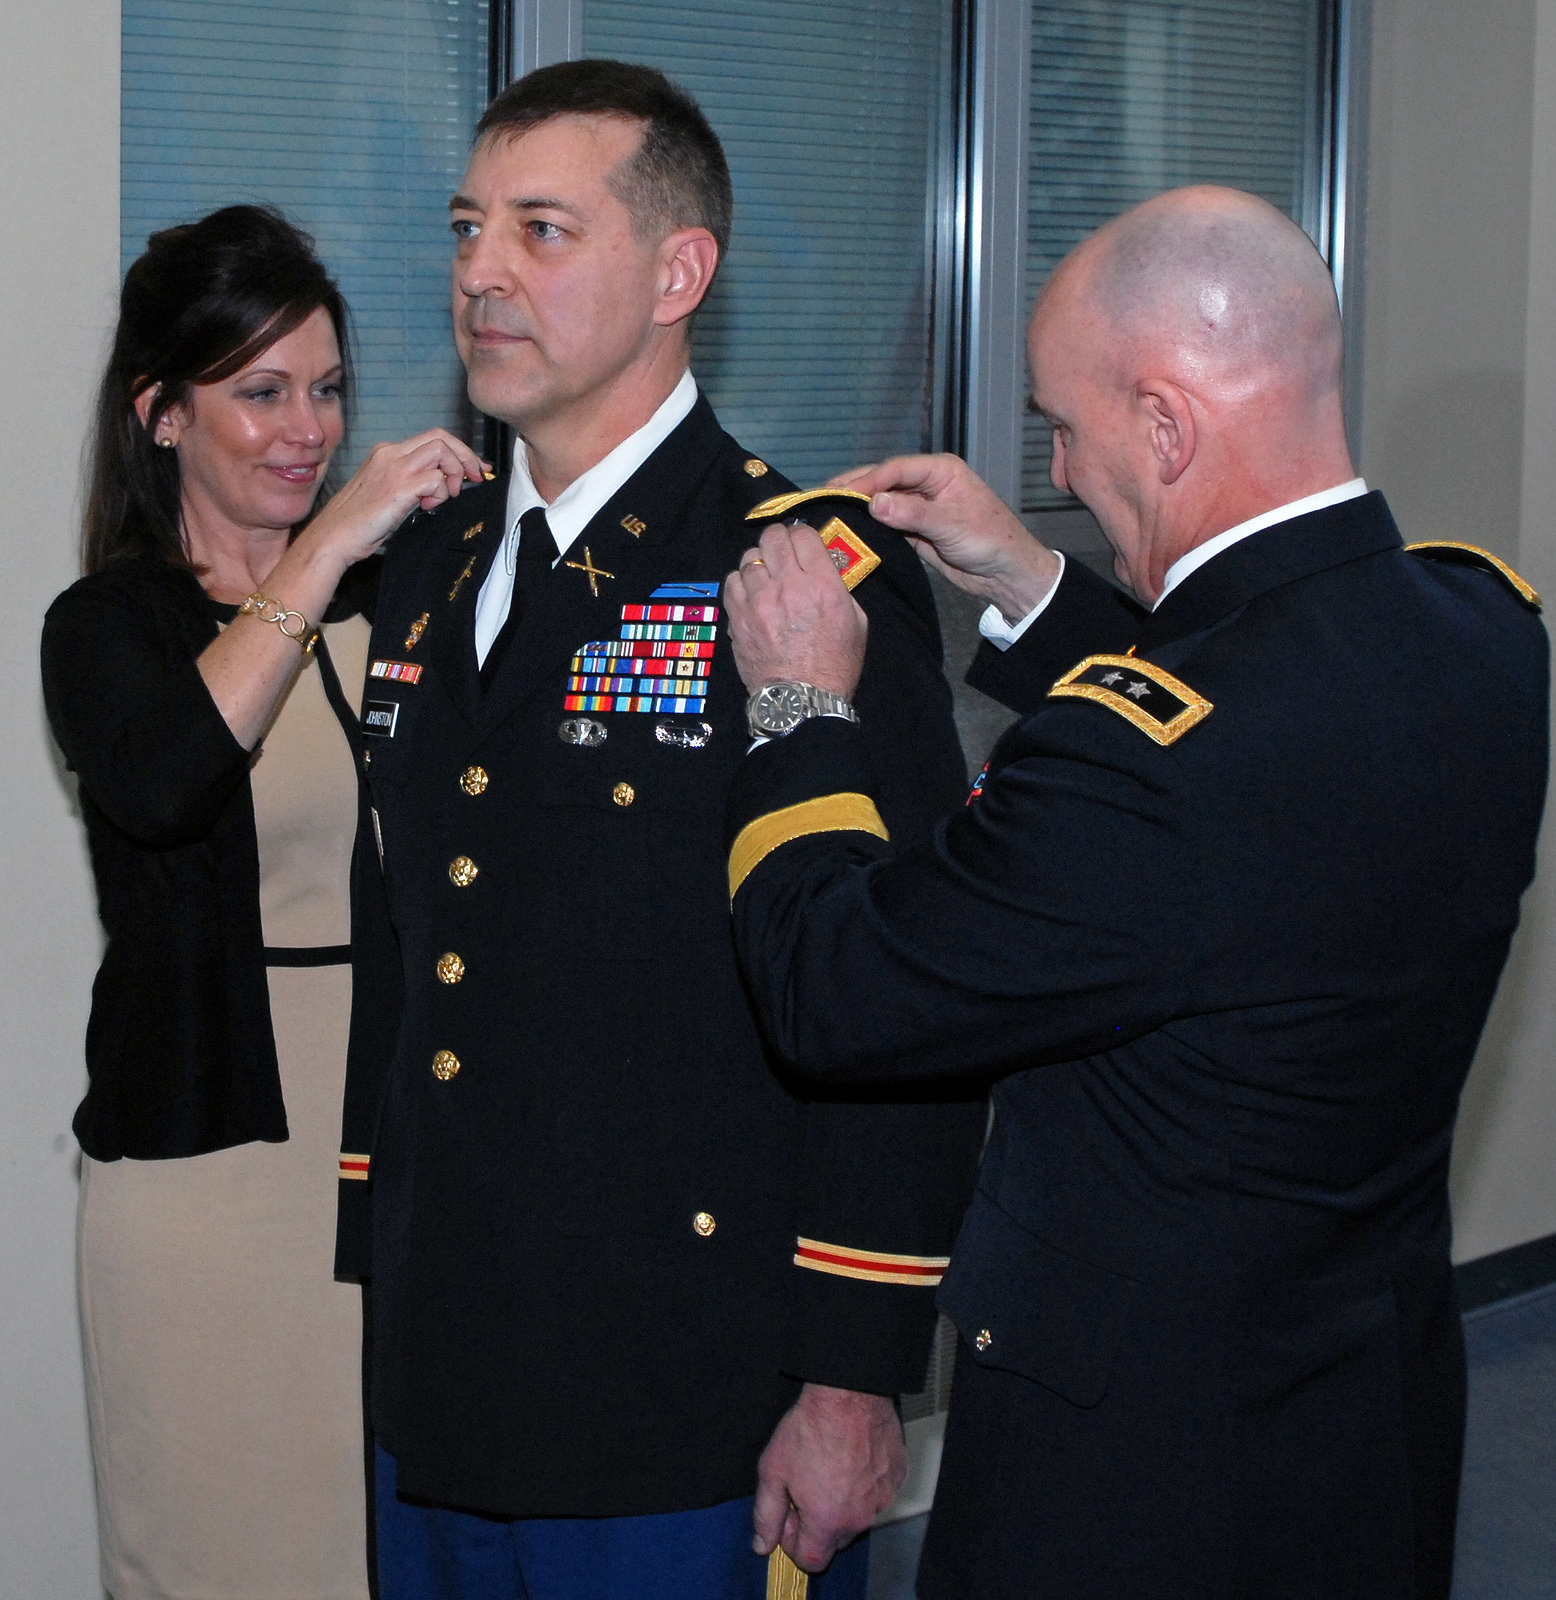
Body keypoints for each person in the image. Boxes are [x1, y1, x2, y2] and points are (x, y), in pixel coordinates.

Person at [721, 185, 1550, 1600]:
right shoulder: (1479, 630)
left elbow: (837, 989)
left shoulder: (1156, 770)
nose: (1057, 464)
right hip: (1361, 1429)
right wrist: (1032, 579)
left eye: (1064, 427)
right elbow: (1245, 719)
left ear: (1166, 426)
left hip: (1131, 1487)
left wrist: (797, 702)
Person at [336, 58, 983, 1600]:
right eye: (467, 228)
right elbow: (408, 935)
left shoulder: (796, 571)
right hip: (443, 1351)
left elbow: (899, 1000)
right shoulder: (427, 565)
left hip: (686, 1382)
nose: (481, 272)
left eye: (543, 230)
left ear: (678, 273)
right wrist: (379, 1237)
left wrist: (850, 1375)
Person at [40, 204, 487, 1600]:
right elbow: (168, 779)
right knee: (228, 1552)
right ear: (162, 415)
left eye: (329, 390)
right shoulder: (108, 627)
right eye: (263, 393)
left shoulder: (399, 601)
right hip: (212, 1169)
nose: (308, 429)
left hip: (400, 1139)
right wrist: (326, 549)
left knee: (388, 1552)